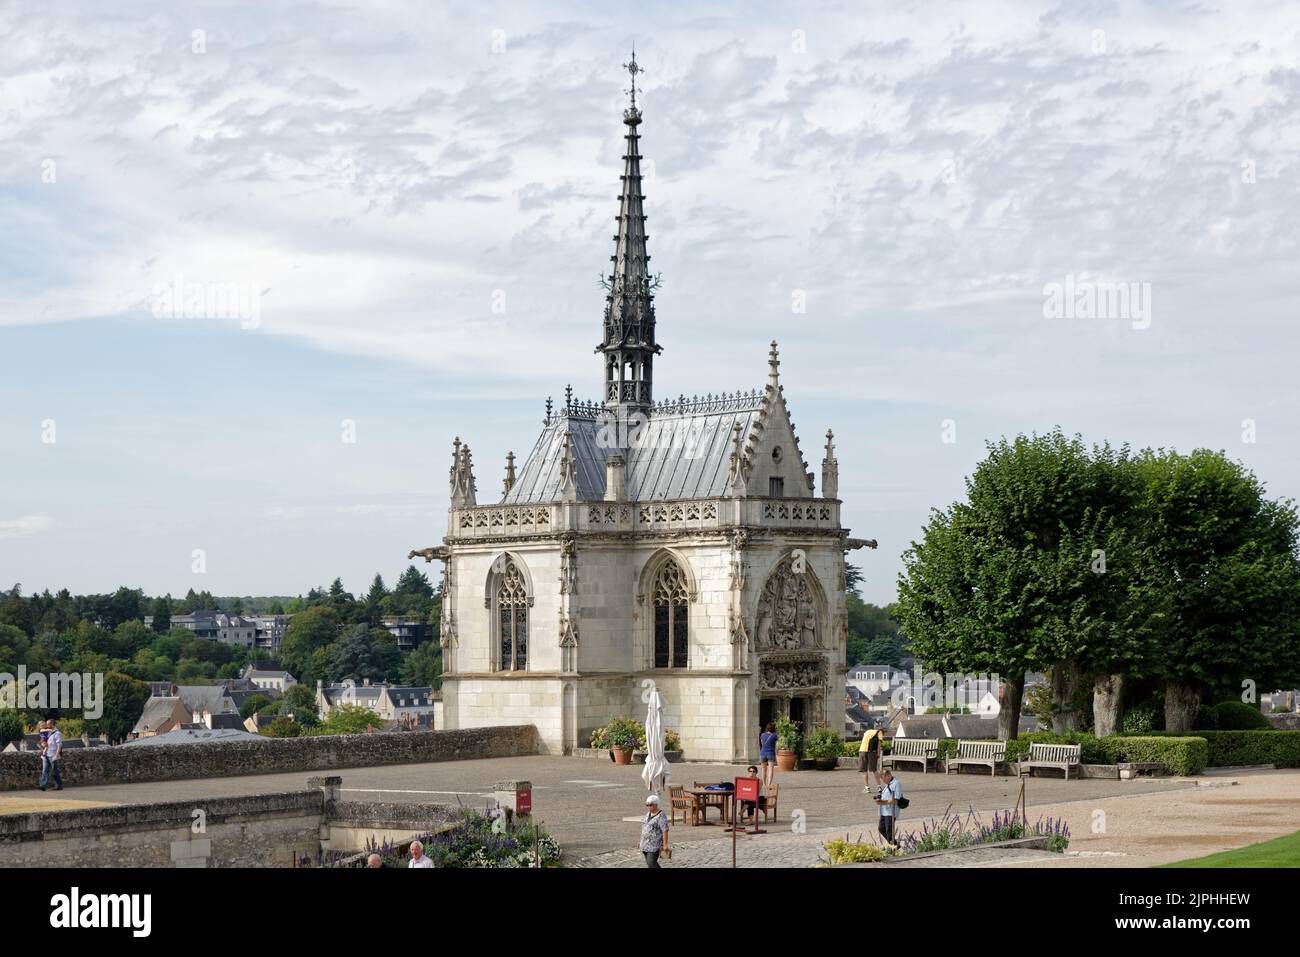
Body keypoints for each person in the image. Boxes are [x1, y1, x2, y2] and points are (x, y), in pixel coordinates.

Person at [639, 794, 670, 868]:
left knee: (651, 863)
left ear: (656, 805)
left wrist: (665, 845)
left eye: (651, 805)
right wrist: (640, 840)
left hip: (654, 845)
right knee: (650, 864)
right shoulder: (648, 814)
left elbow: (665, 830)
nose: (649, 807)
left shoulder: (661, 816)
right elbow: (644, 827)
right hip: (644, 844)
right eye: (647, 805)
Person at [875, 769, 902, 846]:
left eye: (883, 779)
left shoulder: (896, 783)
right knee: (881, 828)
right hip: (884, 811)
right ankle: (894, 845)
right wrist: (879, 799)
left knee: (889, 830)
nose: (883, 781)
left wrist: (882, 802)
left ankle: (893, 847)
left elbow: (896, 799)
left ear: (888, 776)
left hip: (891, 812)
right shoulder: (888, 784)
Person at [858, 724, 884, 793]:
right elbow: (879, 745)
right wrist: (878, 754)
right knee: (874, 770)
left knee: (864, 770)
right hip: (872, 752)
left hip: (862, 751)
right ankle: (879, 787)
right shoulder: (879, 732)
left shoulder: (867, 731)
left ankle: (867, 788)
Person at [40, 718, 63, 792]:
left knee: (54, 771)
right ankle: (43, 786)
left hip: (53, 754)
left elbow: (59, 745)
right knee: (44, 770)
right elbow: (44, 740)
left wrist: (56, 755)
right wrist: (43, 744)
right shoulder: (48, 732)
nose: (46, 725)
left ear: (52, 724)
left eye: (48, 724)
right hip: (46, 753)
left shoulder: (57, 733)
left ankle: (59, 785)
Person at [758, 722, 778, 788]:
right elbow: (775, 745)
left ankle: (764, 784)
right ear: (773, 728)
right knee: (771, 769)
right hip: (771, 753)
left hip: (763, 753)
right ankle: (769, 784)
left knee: (763, 769)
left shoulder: (762, 735)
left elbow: (762, 743)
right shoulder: (775, 736)